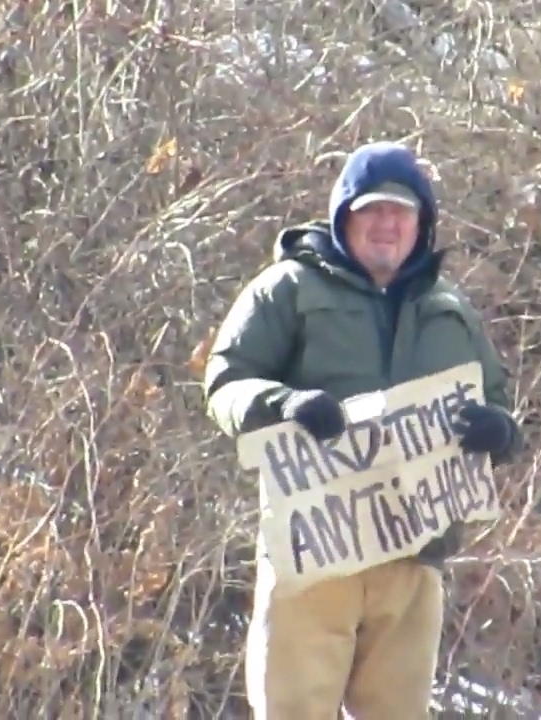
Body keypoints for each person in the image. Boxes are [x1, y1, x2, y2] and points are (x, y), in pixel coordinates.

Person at [202, 140, 523, 719]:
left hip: (412, 560)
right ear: (343, 214)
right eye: (372, 209)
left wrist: (497, 432)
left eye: (401, 212)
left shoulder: (452, 309)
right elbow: (226, 385)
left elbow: (501, 409)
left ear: (421, 224)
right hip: (313, 554)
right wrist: (285, 404)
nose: (386, 224)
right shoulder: (288, 288)